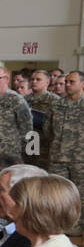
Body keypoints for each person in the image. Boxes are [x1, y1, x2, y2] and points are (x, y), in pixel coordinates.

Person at [45, 70, 84, 236]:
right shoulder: (57, 104)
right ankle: (59, 227)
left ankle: (78, 227)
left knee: (80, 195)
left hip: (80, 159)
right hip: (57, 157)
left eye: (71, 82)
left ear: (82, 84)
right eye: (66, 82)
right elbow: (47, 130)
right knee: (57, 194)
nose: (67, 85)